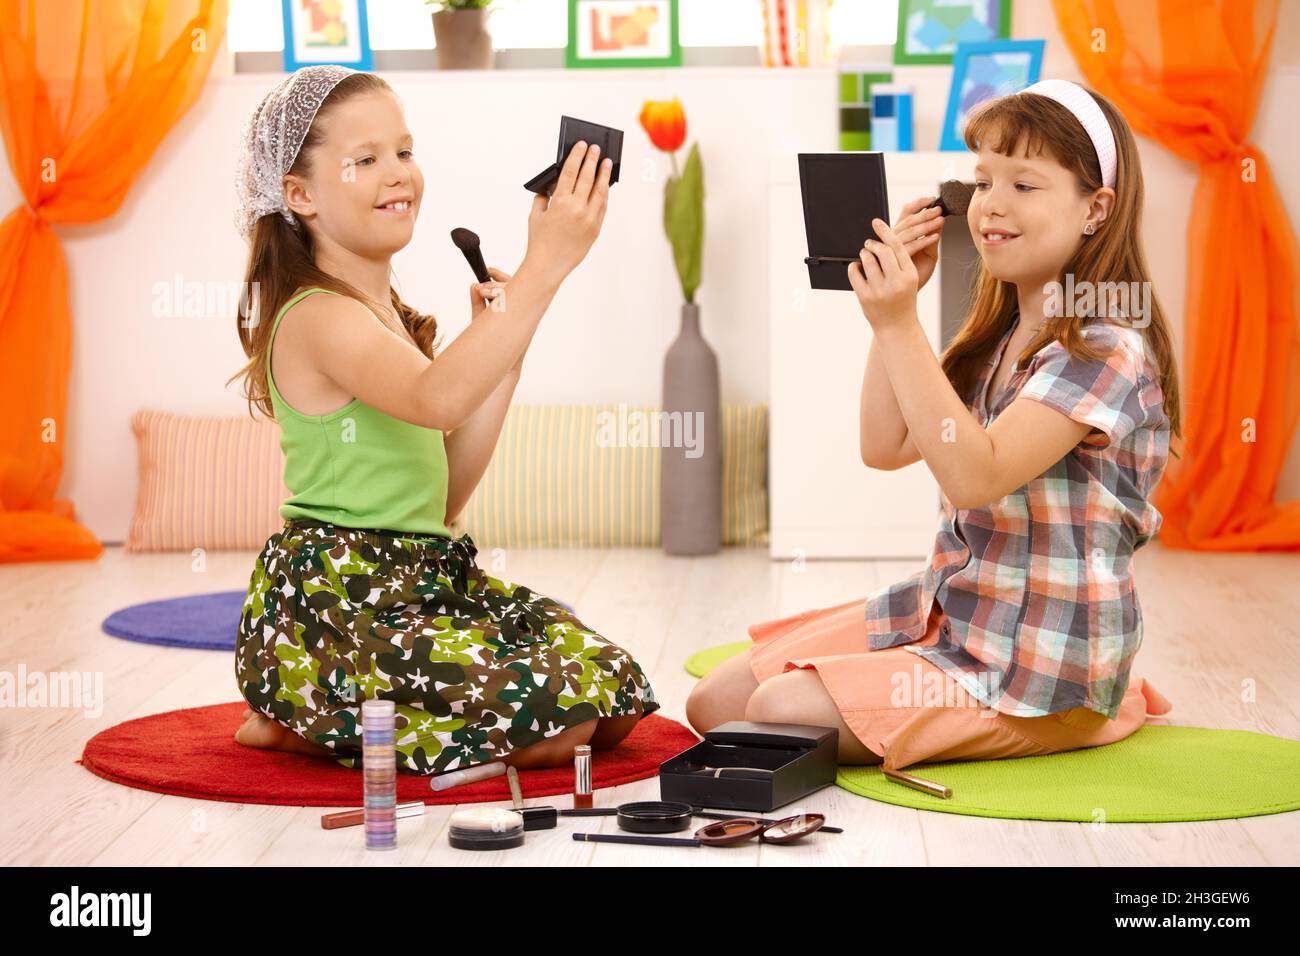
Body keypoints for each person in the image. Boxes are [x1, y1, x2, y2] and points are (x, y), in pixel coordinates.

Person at [688, 80, 1176, 770]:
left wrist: (898, 322)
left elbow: (976, 476)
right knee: (717, 702)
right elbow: (882, 447)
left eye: (1024, 185)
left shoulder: (1105, 348)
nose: (991, 204)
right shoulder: (999, 339)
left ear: (1096, 209)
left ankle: (1098, 709)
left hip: (1038, 662)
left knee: (775, 711)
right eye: (982, 181)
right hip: (950, 612)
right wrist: (894, 314)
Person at [228, 65, 658, 775]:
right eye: (365, 160)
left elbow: (445, 495)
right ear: (299, 194)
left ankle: (319, 717)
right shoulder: (317, 317)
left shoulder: (387, 320)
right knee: (555, 736)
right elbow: (438, 398)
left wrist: (505, 356)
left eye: (404, 151)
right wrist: (546, 262)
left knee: (608, 699)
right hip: (340, 611)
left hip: (424, 584)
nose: (397, 174)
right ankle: (303, 715)